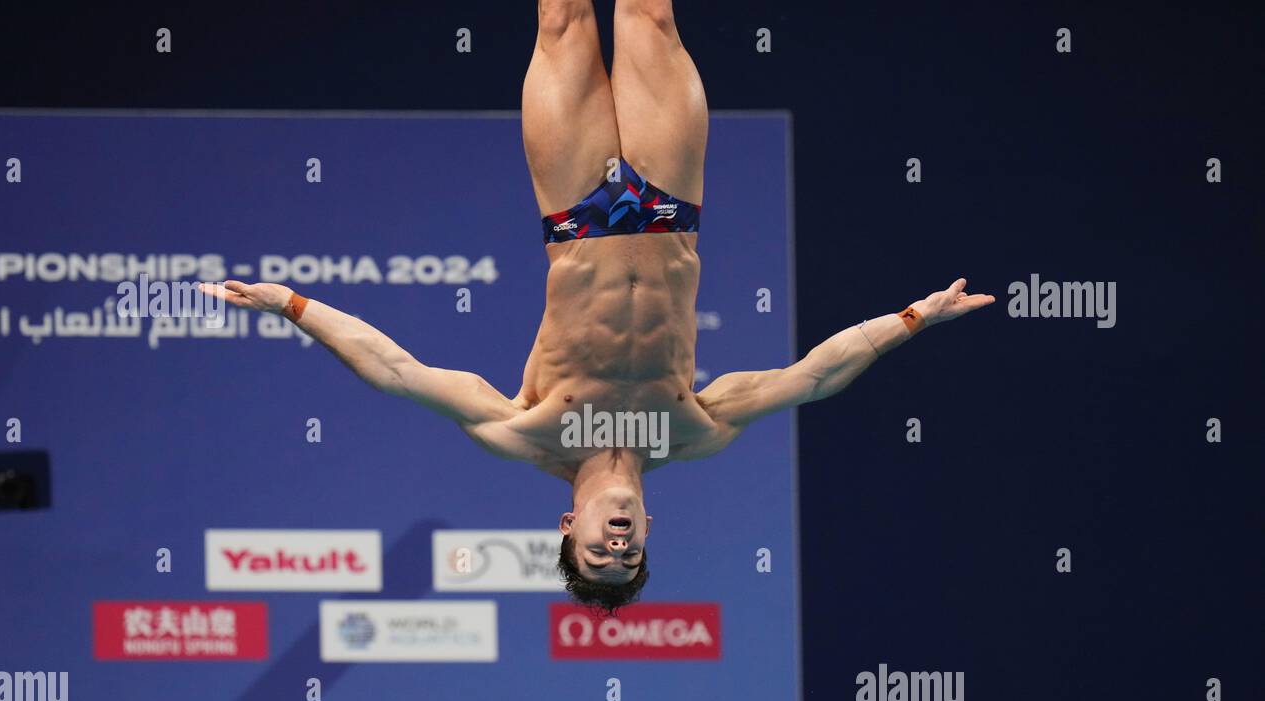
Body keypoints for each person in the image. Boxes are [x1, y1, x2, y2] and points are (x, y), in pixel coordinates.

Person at [201, 0, 994, 612]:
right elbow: (816, 378)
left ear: (567, 532)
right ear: (647, 532)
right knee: (649, 13)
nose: (614, 546)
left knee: (563, 19)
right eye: (627, 555)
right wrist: (916, 318)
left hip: (576, 210)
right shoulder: (689, 432)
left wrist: (289, 303)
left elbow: (397, 371)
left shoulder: (526, 431)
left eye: (597, 555)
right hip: (669, 203)